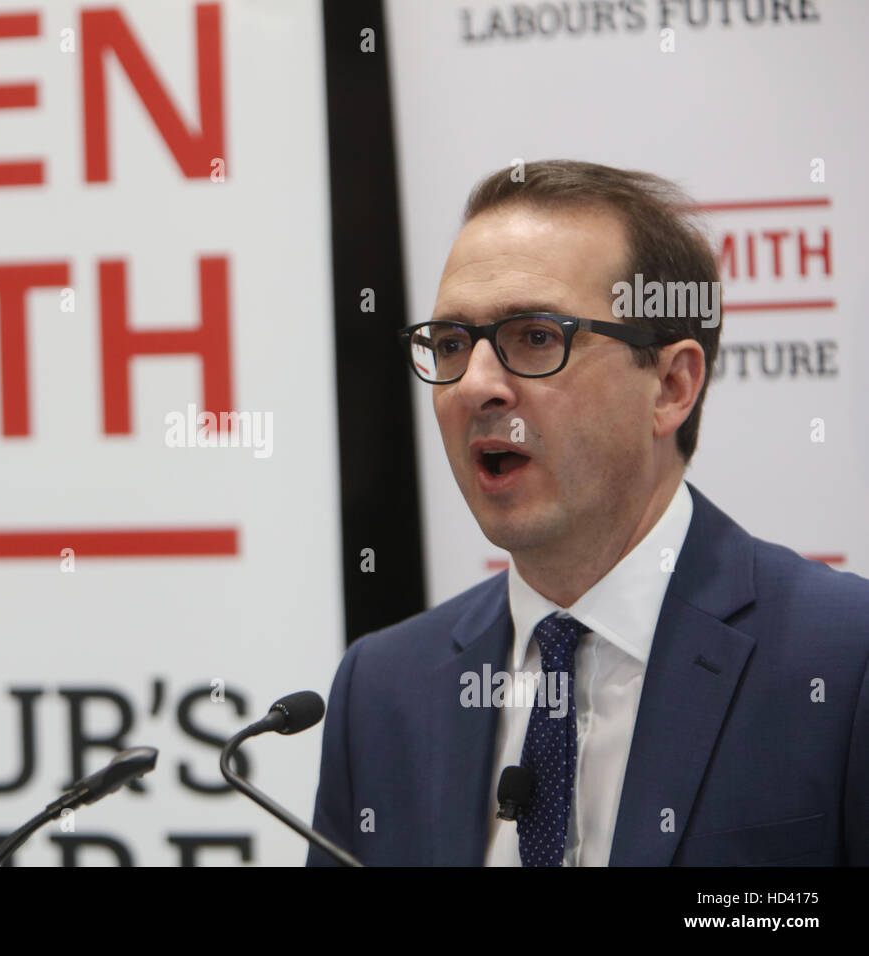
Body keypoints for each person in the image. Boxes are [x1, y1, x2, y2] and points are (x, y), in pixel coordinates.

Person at [307, 160, 869, 866]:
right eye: (451, 344)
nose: (477, 385)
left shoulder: (844, 661)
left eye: (536, 337)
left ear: (670, 385)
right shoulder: (382, 691)